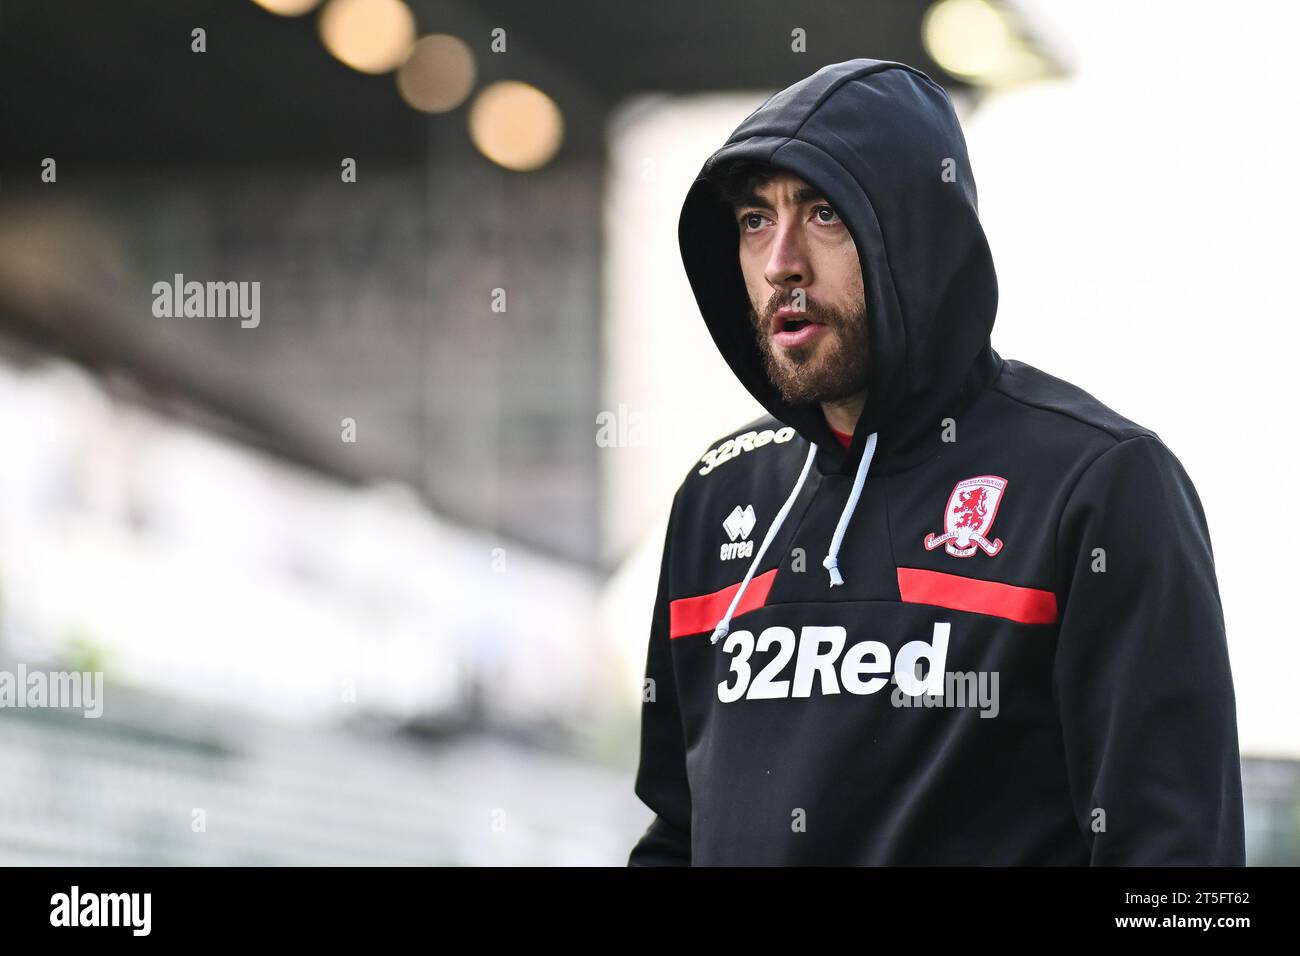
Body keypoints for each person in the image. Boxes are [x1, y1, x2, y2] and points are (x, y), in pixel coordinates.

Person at [627, 58, 1245, 865]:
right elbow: (678, 834)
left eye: (823, 214)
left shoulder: (1098, 484)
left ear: (913, 233)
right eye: (754, 219)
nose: (780, 262)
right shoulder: (719, 496)